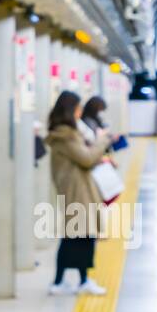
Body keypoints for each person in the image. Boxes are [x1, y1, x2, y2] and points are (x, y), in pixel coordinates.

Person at [45, 90, 112, 296]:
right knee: (77, 236)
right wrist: (102, 140)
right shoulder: (65, 135)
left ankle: (75, 280)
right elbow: (86, 158)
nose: (80, 112)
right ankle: (66, 281)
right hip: (76, 191)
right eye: (78, 108)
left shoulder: (66, 133)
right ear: (70, 109)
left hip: (77, 188)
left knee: (79, 236)